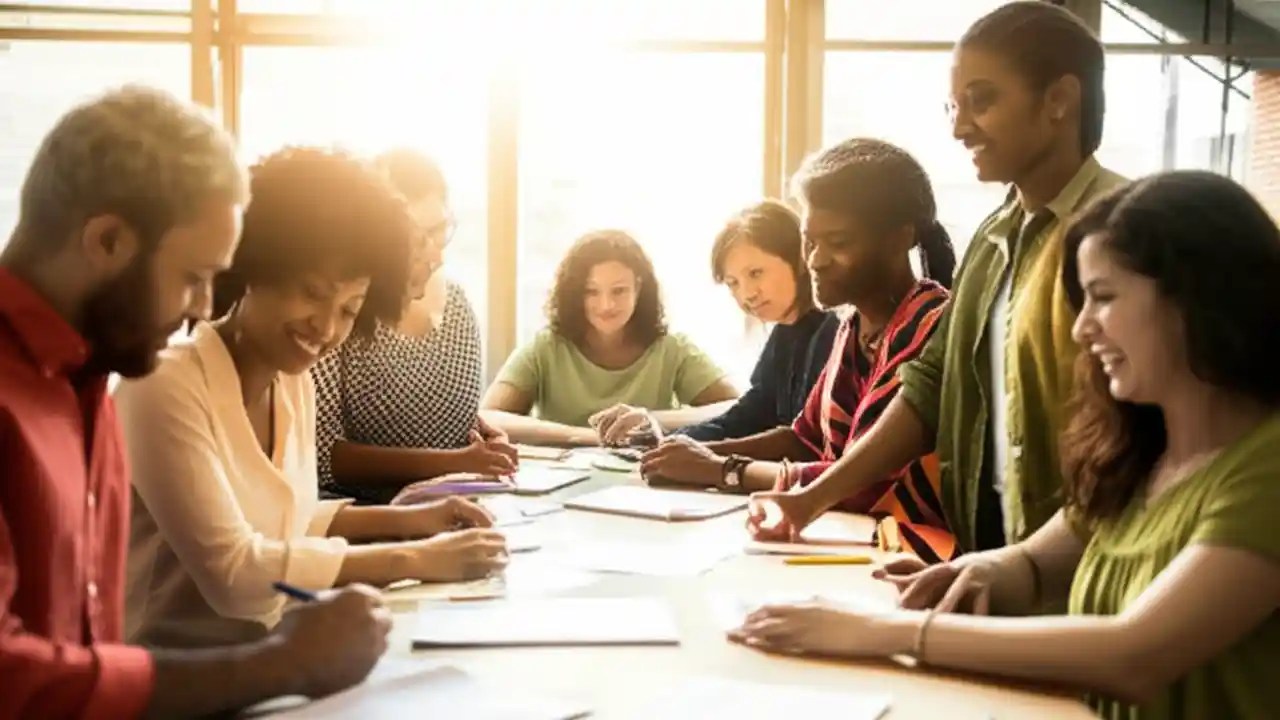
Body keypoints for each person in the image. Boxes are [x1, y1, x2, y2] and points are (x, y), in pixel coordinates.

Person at [731, 171, 1280, 720]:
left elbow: (1134, 655)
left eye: (1103, 298)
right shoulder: (1142, 456)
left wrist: (881, 631)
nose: (1081, 329)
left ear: (1201, 300)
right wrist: (973, 575)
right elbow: (1031, 566)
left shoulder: (1265, 468)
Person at [0, 85, 391, 719]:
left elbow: (87, 649)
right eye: (192, 278)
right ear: (107, 242)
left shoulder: (90, 377)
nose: (204, 308)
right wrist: (281, 664)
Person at [748, 1, 1126, 558]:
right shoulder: (996, 237)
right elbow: (929, 391)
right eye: (953, 105)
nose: (958, 126)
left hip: (1090, 563)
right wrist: (808, 501)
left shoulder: (1126, 228)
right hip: (998, 559)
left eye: (982, 100)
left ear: (1059, 101)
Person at [117, 146, 507, 649]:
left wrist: (414, 519)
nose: (325, 328)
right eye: (312, 292)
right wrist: (415, 557)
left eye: (348, 309)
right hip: (167, 678)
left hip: (260, 661)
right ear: (257, 268)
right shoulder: (162, 384)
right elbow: (236, 575)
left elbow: (292, 521)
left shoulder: (292, 380)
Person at [643, 138, 957, 562]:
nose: (816, 259)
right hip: (846, 537)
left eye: (839, 242)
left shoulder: (929, 324)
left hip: (906, 557)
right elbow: (803, 437)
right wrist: (696, 454)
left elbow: (866, 482)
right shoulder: (853, 326)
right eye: (810, 242)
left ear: (899, 239)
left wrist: (721, 470)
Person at [312, 148, 516, 505]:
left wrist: (484, 441)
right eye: (417, 237)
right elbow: (323, 456)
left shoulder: (458, 305)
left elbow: (452, 422)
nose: (434, 252)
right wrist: (454, 463)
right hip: (359, 515)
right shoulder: (341, 311)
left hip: (455, 504)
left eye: (439, 231)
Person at [481, 229, 738, 446]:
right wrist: (588, 437)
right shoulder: (546, 347)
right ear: (574, 294)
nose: (606, 305)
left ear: (639, 288)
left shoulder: (672, 349)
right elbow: (488, 417)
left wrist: (652, 420)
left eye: (619, 291)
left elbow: (738, 408)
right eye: (591, 292)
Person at [673, 200, 838, 442]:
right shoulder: (784, 334)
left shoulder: (832, 330)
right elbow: (751, 414)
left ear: (799, 257)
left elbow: (802, 440)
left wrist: (712, 457)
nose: (747, 293)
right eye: (733, 283)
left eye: (755, 273)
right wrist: (671, 441)